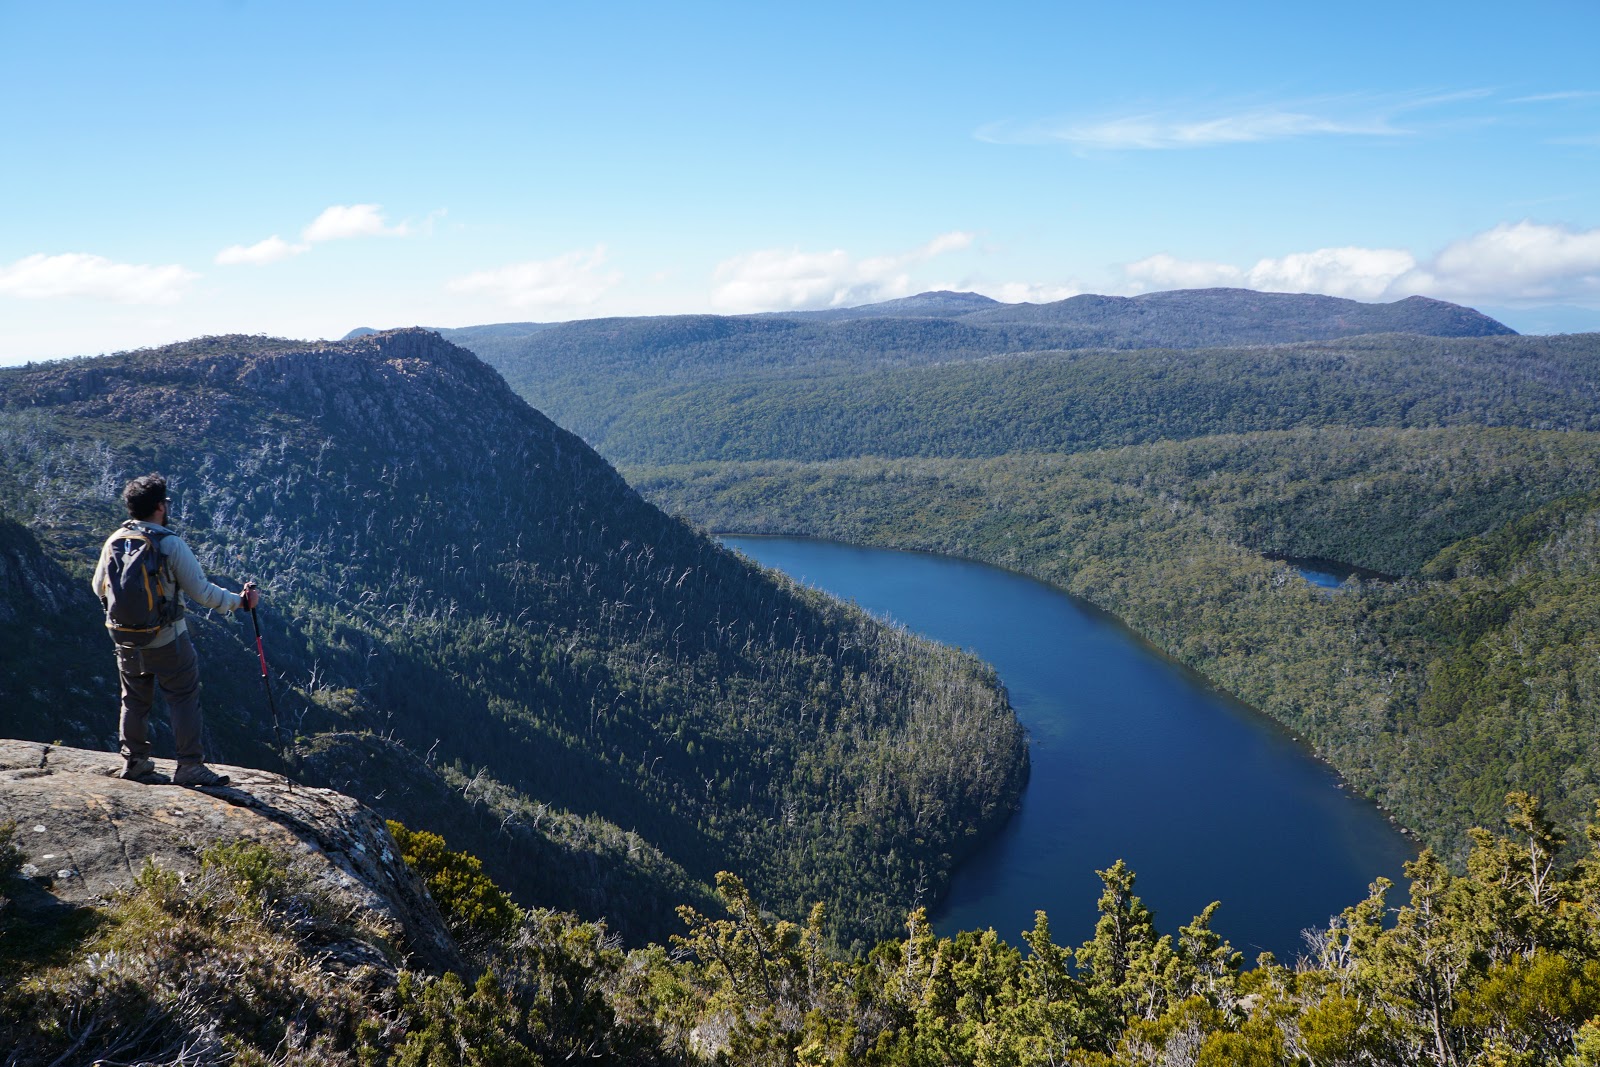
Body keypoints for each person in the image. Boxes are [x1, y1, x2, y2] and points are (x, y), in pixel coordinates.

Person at [91, 473, 261, 787]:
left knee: (133, 700)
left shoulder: (114, 540)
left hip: (125, 639)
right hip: (167, 638)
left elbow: (97, 585)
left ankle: (135, 762)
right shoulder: (169, 544)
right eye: (166, 502)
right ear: (158, 506)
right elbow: (203, 593)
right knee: (183, 696)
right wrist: (241, 602)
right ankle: (190, 766)